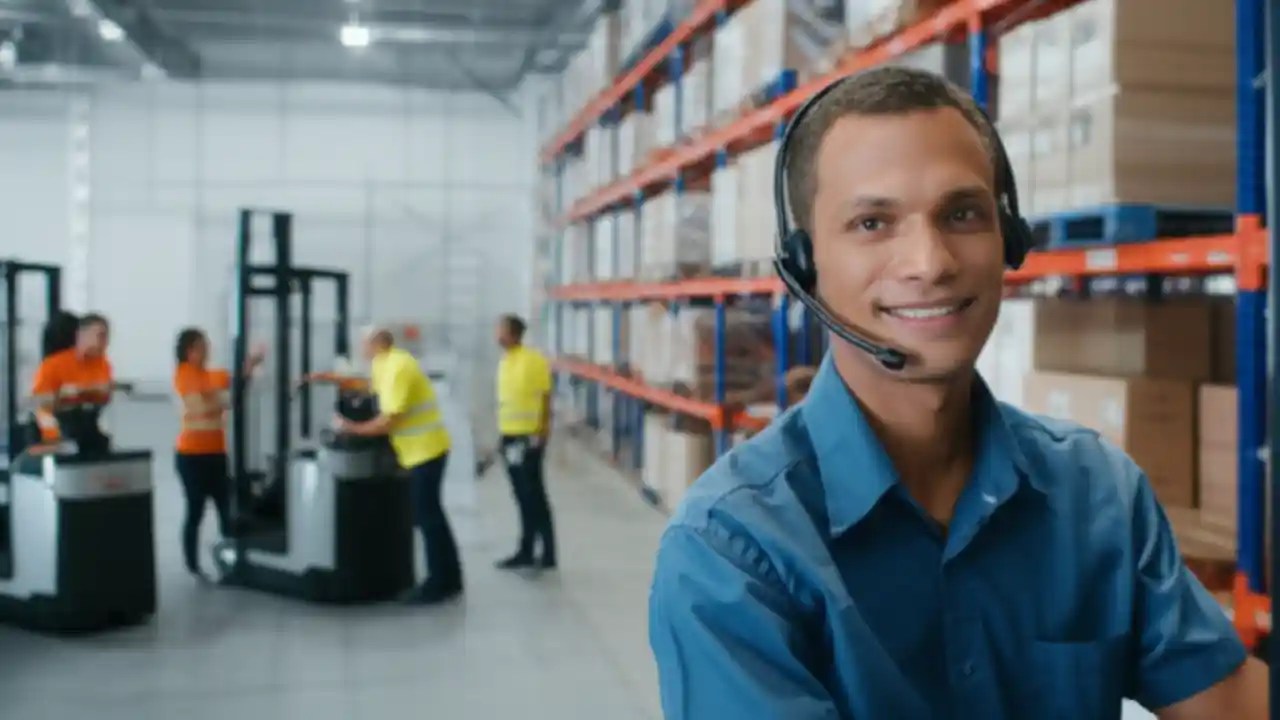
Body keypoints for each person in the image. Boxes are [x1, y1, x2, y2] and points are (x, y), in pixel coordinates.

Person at [648, 67, 1265, 719]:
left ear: (1010, 238)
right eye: (872, 223)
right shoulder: (733, 551)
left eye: (962, 214)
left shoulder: (1097, 494)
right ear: (804, 265)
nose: (931, 262)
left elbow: (1228, 704)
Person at [319, 327, 462, 605]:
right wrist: (326, 378)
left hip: (426, 451)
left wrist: (351, 428)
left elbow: (388, 421)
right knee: (431, 515)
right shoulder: (383, 363)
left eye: (363, 343)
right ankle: (450, 578)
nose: (361, 348)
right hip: (417, 451)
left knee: (428, 517)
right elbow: (367, 385)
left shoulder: (399, 366)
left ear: (376, 343)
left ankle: (439, 583)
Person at [171, 328, 266, 579]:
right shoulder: (184, 374)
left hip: (215, 453)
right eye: (201, 347)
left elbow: (236, 384)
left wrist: (252, 362)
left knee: (226, 506)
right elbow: (200, 406)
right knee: (196, 509)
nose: (206, 351)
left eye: (206, 346)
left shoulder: (210, 375)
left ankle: (233, 562)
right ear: (189, 351)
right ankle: (193, 565)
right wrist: (224, 398)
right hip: (191, 456)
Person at [493, 314, 557, 571]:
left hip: (528, 437)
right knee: (521, 495)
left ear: (513, 333)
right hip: (509, 437)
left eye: (501, 330)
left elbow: (546, 396)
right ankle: (526, 550)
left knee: (534, 495)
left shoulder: (533, 359)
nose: (497, 335)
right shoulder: (505, 361)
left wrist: (543, 431)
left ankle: (548, 553)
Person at [30, 313, 125, 445]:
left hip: (87, 428)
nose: (105, 343)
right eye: (101, 336)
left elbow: (102, 399)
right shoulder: (53, 364)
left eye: (107, 337)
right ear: (81, 335)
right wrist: (69, 393)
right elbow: (37, 402)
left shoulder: (103, 364)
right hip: (53, 430)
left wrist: (101, 392)